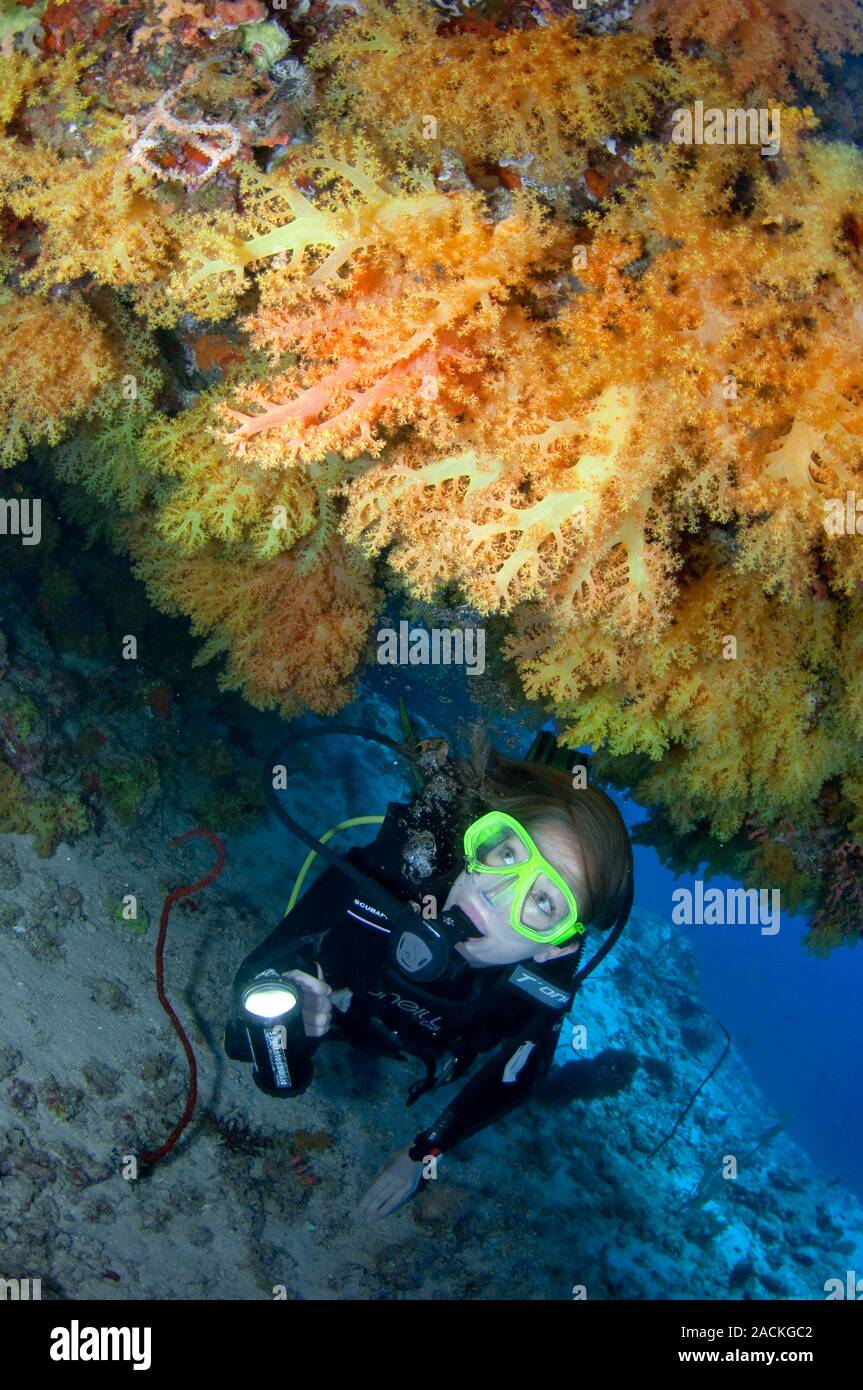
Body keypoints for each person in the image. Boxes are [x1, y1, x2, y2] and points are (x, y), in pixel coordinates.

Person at [226, 731, 633, 1220]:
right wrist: (287, 1012)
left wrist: (424, 1152)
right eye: (508, 854)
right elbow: (246, 1018)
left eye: (544, 901)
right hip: (347, 1008)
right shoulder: (396, 873)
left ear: (555, 946)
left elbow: (517, 1078)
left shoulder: (537, 988)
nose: (494, 894)